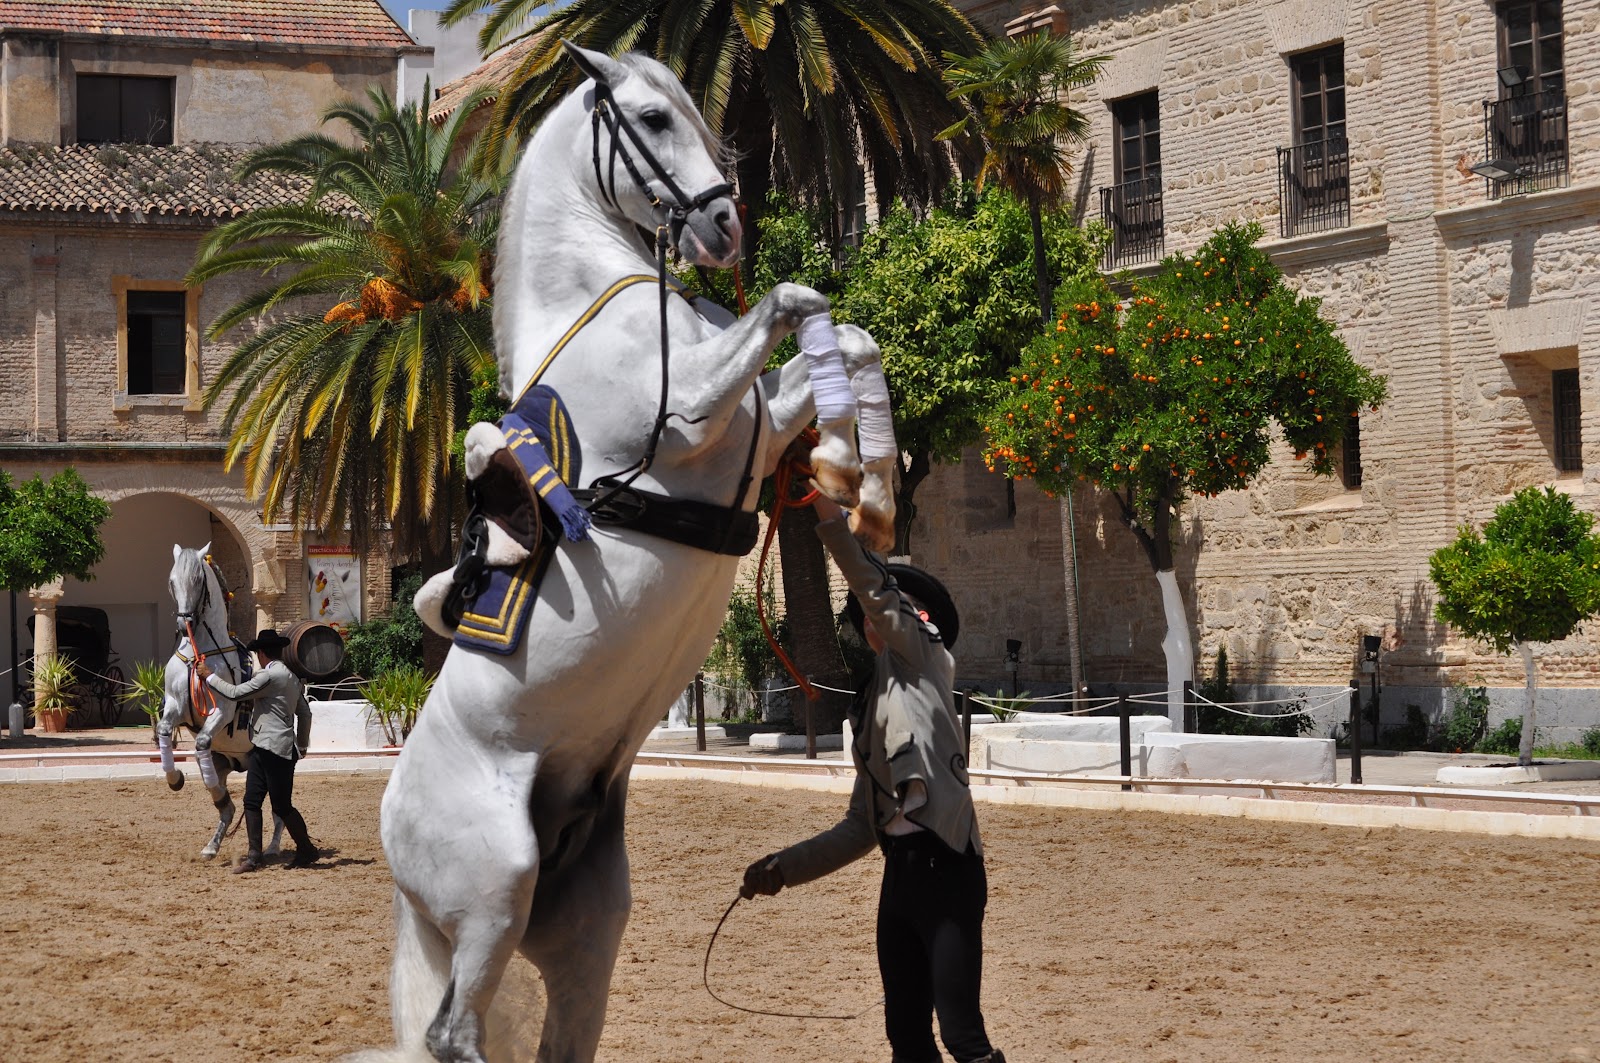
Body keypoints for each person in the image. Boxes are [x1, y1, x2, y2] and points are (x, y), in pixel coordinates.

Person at [741, 493, 1004, 1063]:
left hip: (950, 869)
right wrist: (785, 867)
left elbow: (871, 584)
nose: (878, 606)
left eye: (895, 602)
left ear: (922, 620)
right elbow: (861, 827)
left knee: (963, 1036)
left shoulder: (926, 659)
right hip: (902, 879)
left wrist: (828, 518)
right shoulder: (869, 708)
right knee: (906, 1038)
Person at [197, 628, 319, 873]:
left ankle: (306, 849)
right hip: (267, 748)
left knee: (281, 806)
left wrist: (209, 676)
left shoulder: (269, 677)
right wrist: (303, 745)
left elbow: (233, 693)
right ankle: (254, 856)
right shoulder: (292, 678)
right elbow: (304, 713)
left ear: (262, 653)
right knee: (251, 801)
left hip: (273, 750)